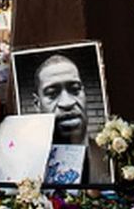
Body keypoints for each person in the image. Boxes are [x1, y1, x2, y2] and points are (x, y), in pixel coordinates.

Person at [32, 54, 111, 183]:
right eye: (52, 94)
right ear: (37, 104)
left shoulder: (109, 158)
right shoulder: (30, 164)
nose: (67, 103)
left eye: (75, 90)